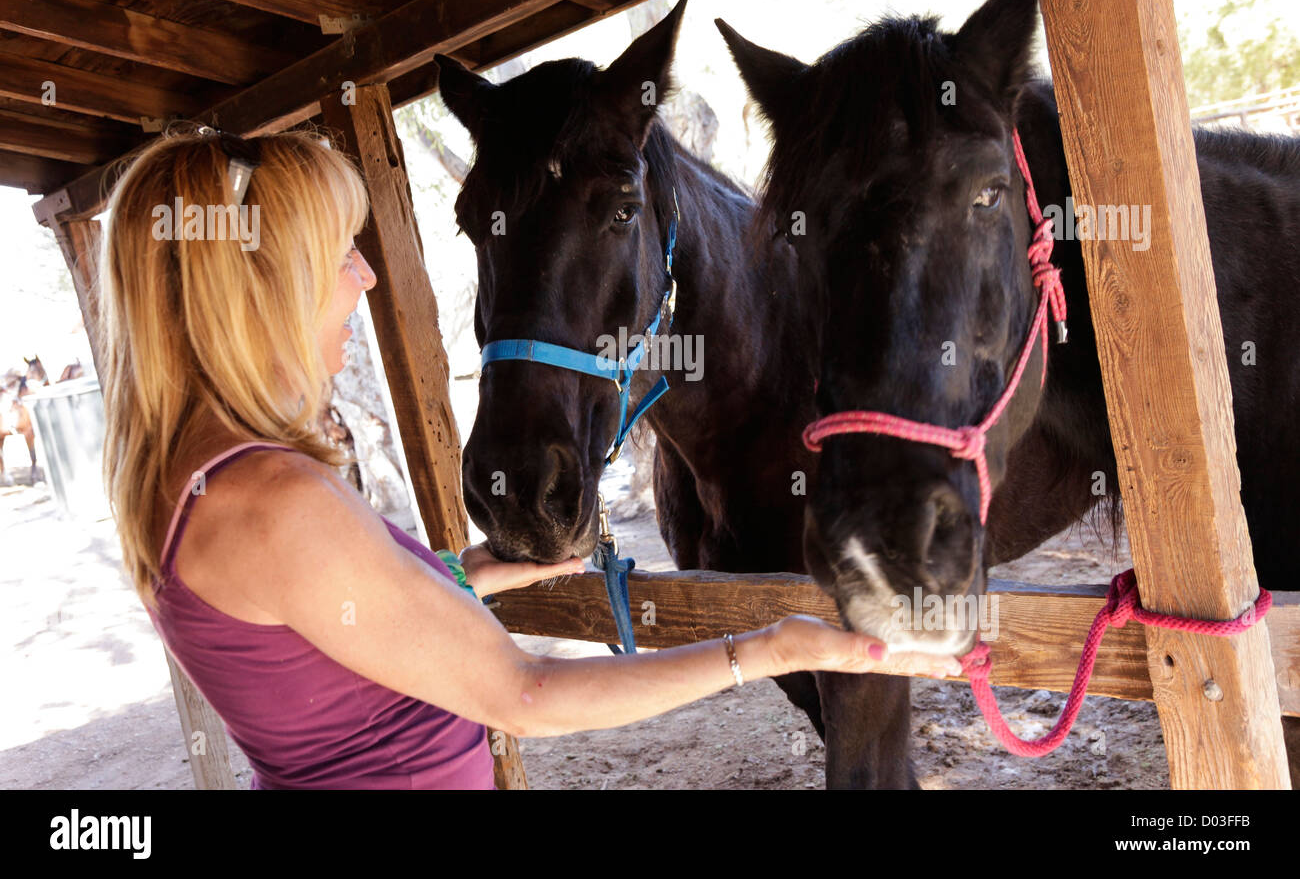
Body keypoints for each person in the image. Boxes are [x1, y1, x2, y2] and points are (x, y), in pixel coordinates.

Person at [98, 125, 960, 789]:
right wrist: (768, 649)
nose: (364, 277)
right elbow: (526, 696)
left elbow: (316, 629)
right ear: (259, 288)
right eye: (337, 256)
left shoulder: (185, 481)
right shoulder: (275, 500)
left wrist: (468, 574)